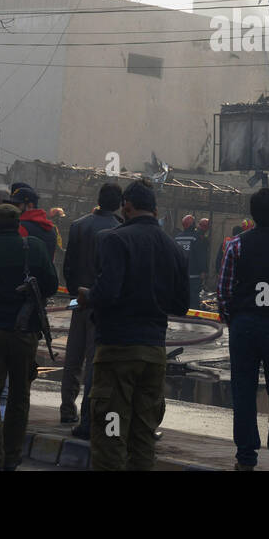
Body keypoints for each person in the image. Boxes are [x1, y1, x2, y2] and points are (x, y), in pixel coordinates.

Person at [78, 180, 189, 471]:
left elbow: (108, 293)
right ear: (155, 209)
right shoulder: (174, 249)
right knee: (143, 437)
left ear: (127, 205)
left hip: (117, 352)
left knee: (111, 434)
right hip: (153, 353)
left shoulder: (116, 240)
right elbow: (180, 304)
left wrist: (88, 296)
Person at [0, 203, 57, 470]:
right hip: (24, 332)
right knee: (20, 396)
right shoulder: (35, 247)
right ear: (19, 225)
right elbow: (51, 285)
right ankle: (12, 458)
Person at [217, 189, 269, 470]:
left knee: (244, 392)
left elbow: (224, 291)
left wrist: (234, 319)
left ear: (251, 213)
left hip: (245, 325)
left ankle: (246, 458)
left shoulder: (236, 244)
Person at [60, 184, 123, 431]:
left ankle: (66, 409)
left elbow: (67, 267)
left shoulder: (78, 226)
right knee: (94, 361)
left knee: (73, 358)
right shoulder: (119, 230)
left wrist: (77, 292)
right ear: (119, 204)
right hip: (103, 305)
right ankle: (89, 415)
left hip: (79, 300)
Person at [172, 215, 202, 308]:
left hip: (180, 273)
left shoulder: (177, 238)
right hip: (193, 274)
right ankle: (194, 317)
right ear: (191, 224)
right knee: (193, 297)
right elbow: (199, 255)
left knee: (180, 295)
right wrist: (203, 270)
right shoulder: (196, 237)